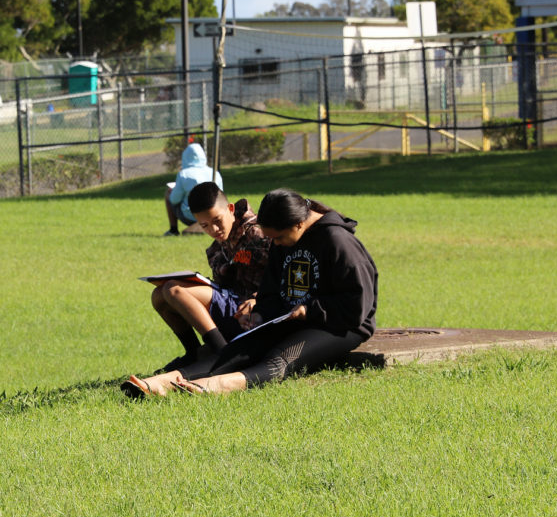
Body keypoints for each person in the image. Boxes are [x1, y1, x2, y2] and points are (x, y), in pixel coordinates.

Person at [123, 188, 377, 398]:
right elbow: (270, 291)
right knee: (239, 348)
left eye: (278, 238)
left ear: (299, 224)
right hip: (291, 318)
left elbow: (358, 305)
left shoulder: (338, 242)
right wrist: (259, 312)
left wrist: (309, 310)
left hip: (339, 326)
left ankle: (222, 385)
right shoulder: (280, 240)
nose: (275, 244)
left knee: (281, 358)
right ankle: (165, 381)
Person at [149, 182, 271, 372]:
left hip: (255, 310)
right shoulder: (217, 246)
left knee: (174, 289)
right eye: (205, 225)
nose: (214, 230)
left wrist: (257, 298)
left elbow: (282, 274)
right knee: (158, 295)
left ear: (230, 209)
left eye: (217, 220)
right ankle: (194, 354)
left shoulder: (259, 234)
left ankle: (222, 353)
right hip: (233, 305)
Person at [164, 140, 221, 236]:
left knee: (168, 194)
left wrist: (172, 192)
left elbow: (174, 200)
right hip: (213, 214)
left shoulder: (184, 174)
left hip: (191, 216)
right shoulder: (215, 173)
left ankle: (173, 230)